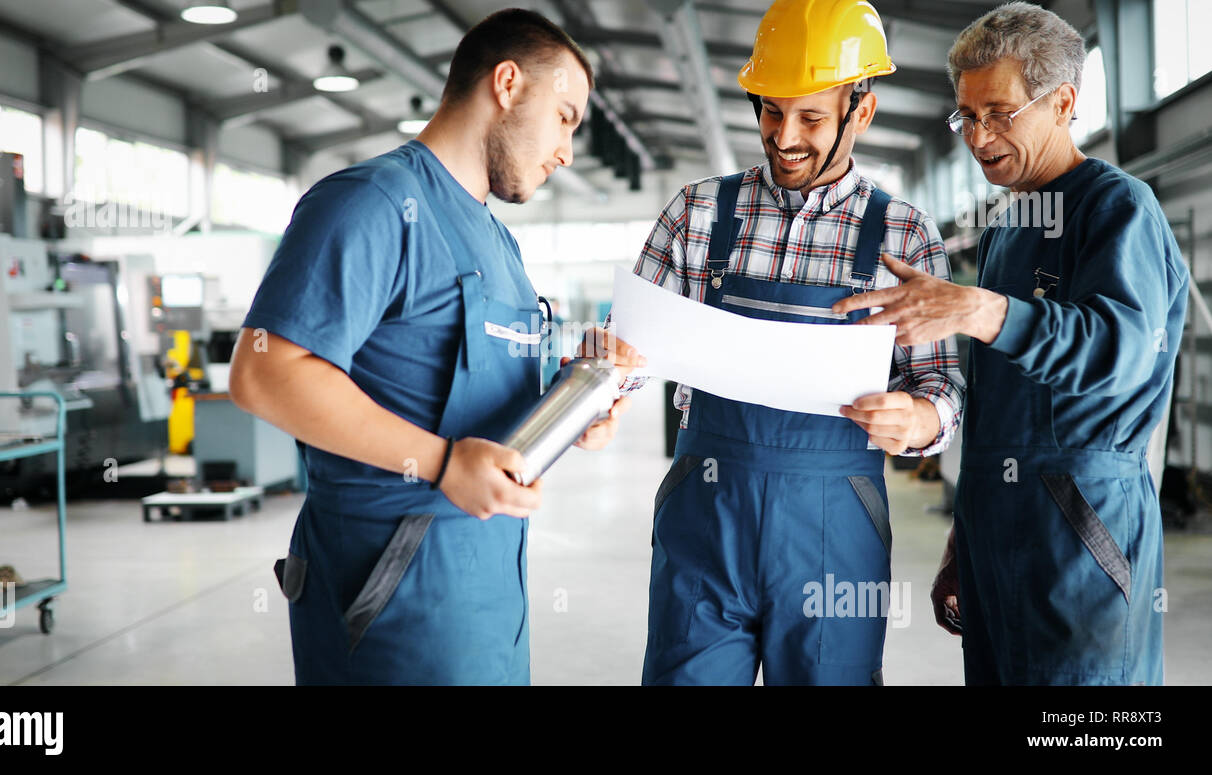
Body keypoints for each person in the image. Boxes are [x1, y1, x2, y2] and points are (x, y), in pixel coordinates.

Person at [228, 9, 639, 685]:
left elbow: (474, 412)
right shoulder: (372, 203)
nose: (567, 151)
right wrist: (443, 462)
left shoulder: (497, 242)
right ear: (506, 84)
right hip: (391, 599)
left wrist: (572, 408)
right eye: (565, 116)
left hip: (486, 595)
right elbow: (265, 373)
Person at [834, 2, 1187, 685]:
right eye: (965, 115)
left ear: (1063, 103)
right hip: (996, 541)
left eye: (998, 112)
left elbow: (1121, 351)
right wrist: (964, 539)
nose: (977, 134)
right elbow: (996, 412)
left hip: (1083, 542)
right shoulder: (1005, 230)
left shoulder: (1117, 209)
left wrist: (977, 308)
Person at [623, 0, 964, 685]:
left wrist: (921, 419)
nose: (783, 137)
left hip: (834, 531)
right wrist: (604, 377)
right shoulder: (696, 213)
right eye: (771, 112)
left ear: (860, 113)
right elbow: (628, 349)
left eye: (811, 117)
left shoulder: (906, 236)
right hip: (707, 519)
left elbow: (941, 386)